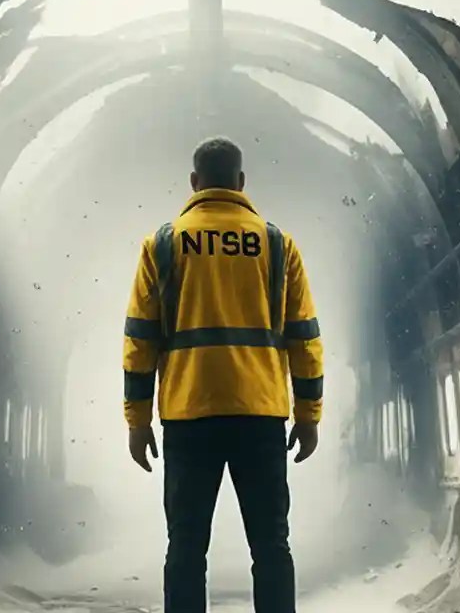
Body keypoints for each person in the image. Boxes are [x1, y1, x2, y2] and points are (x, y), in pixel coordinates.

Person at [121, 136, 324, 613]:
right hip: (260, 416)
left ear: (194, 182)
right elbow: (305, 338)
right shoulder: (277, 244)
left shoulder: (163, 245)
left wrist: (137, 420)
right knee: (272, 546)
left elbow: (140, 339)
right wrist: (309, 414)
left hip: (189, 417)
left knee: (186, 549)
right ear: (241, 183)